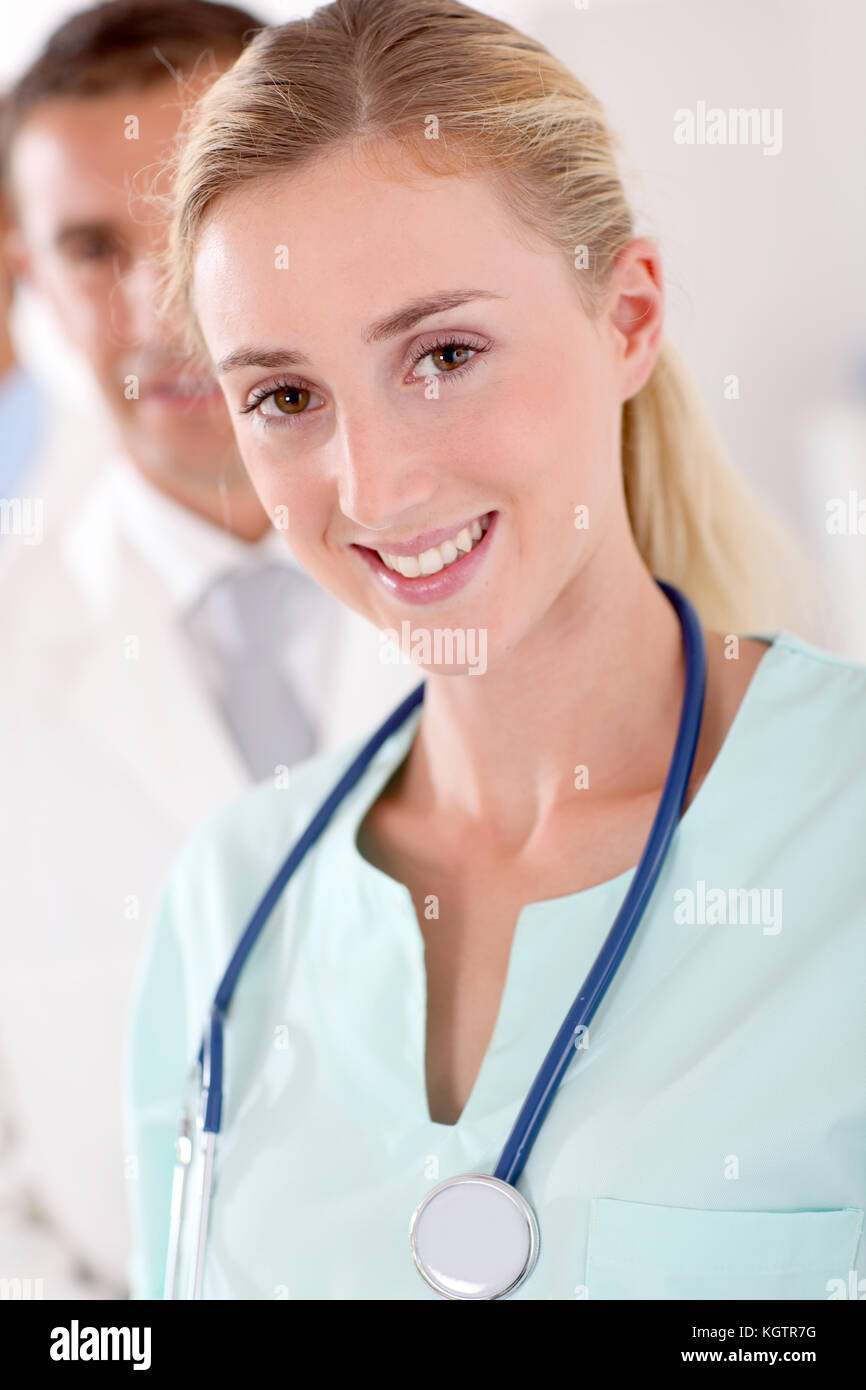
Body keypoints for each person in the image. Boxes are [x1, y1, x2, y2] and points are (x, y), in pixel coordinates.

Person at [124, 0, 865, 1301]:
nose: (375, 483)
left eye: (444, 353)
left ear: (627, 318)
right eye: (285, 396)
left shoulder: (836, 826)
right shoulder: (229, 903)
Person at [0, 0, 417, 1300]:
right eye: (89, 247)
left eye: (202, 213)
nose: (160, 306)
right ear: (21, 283)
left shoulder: (527, 580)